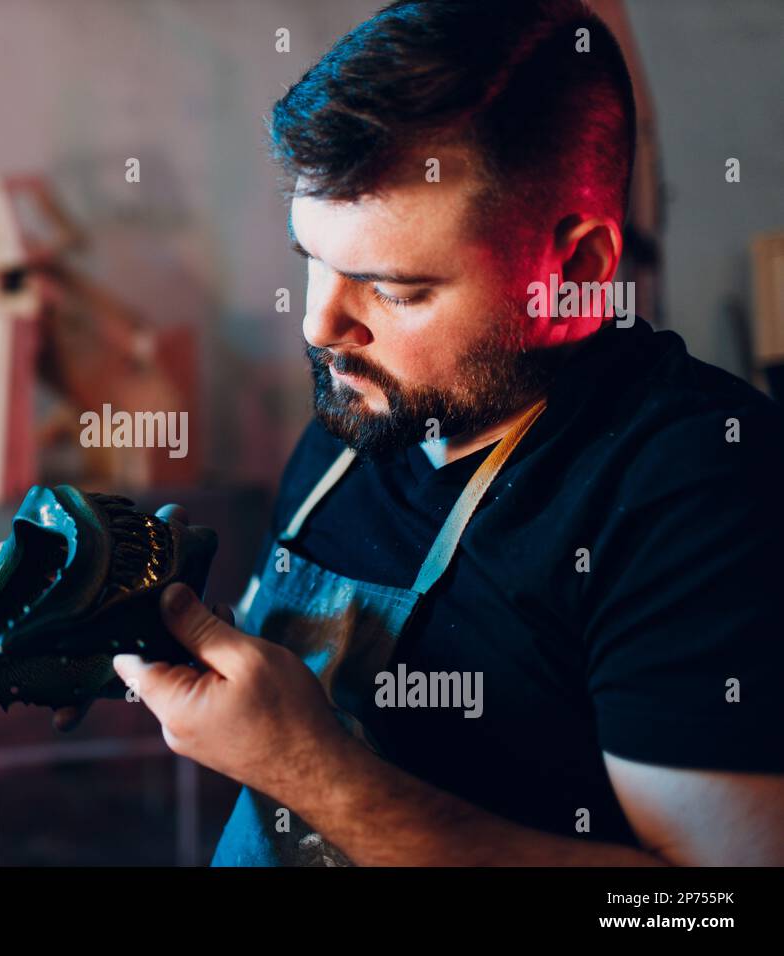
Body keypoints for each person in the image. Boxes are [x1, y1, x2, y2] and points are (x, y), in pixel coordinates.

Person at [61, 0, 784, 866]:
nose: (322, 324)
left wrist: (313, 774)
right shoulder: (369, 409)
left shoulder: (695, 492)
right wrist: (147, 631)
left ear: (579, 268)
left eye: (394, 289)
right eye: (313, 262)